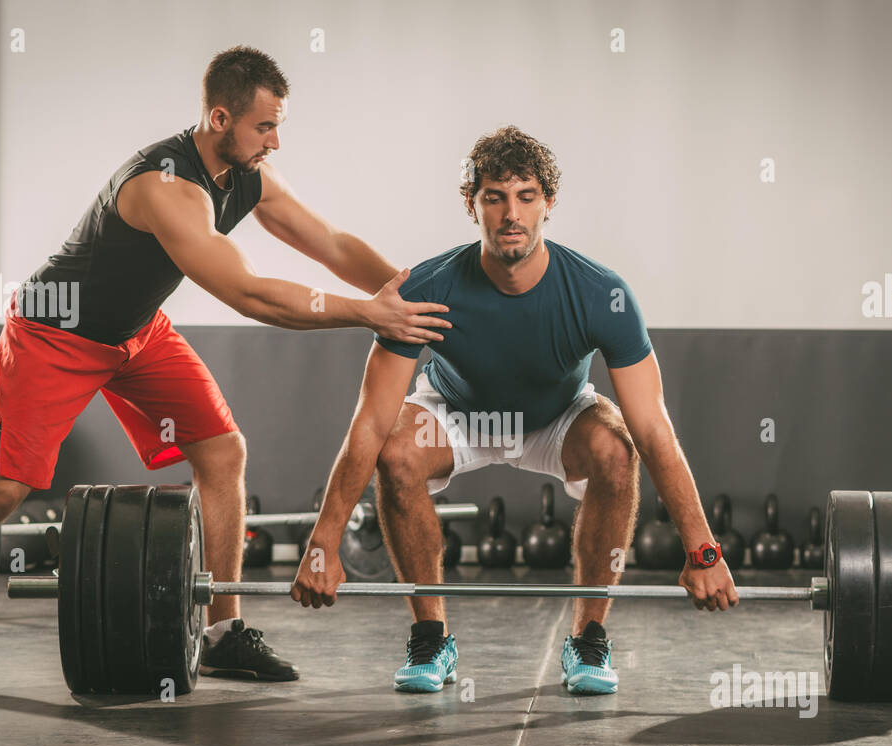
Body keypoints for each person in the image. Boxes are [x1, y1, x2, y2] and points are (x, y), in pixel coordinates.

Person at [0, 46, 451, 688]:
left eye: (279, 124)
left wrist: (417, 298)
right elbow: (249, 294)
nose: (276, 141)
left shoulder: (248, 175)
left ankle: (224, 632)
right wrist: (372, 315)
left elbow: (333, 244)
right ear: (220, 117)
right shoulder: (163, 186)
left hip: (137, 334)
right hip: (53, 335)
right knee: (5, 490)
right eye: (265, 126)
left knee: (222, 452)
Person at [291, 125, 738, 695]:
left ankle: (589, 639)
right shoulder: (425, 287)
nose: (511, 214)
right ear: (471, 204)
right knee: (398, 451)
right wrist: (324, 542)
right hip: (459, 414)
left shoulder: (603, 294)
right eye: (494, 197)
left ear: (548, 203)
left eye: (526, 196)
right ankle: (431, 638)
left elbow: (655, 431)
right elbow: (371, 423)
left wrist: (703, 550)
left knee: (616, 448)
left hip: (555, 417)